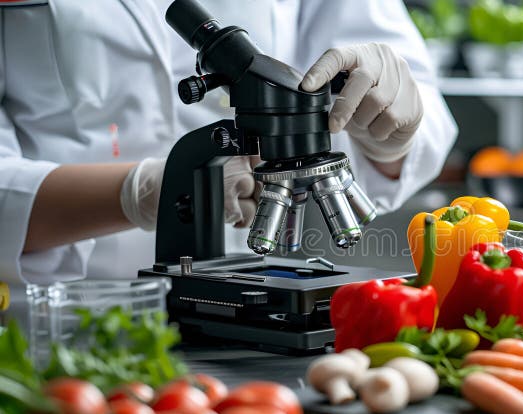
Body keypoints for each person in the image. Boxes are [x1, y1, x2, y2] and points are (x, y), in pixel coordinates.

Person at [0, 0, 457, 289]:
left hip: (248, 287)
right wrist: (142, 191)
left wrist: (386, 137)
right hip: (61, 320)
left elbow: (424, 105)